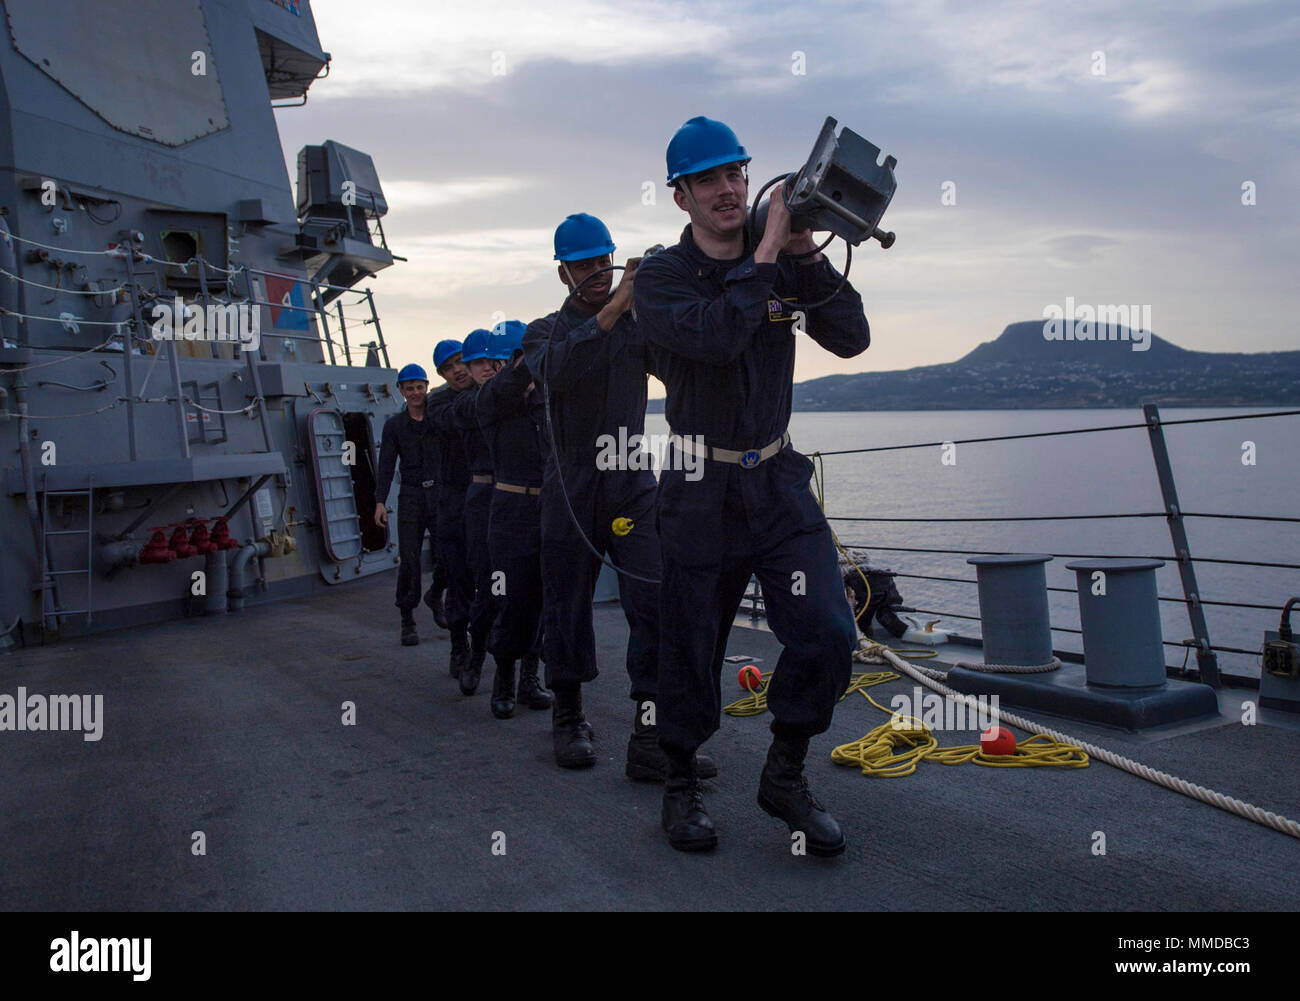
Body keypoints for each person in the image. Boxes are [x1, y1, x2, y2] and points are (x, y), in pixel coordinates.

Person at [633, 116, 871, 855]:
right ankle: (679, 783)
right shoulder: (660, 280)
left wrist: (803, 252)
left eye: (737, 173)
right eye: (710, 180)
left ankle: (786, 770)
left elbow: (853, 337)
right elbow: (717, 334)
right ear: (682, 197)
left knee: (830, 633)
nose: (730, 189)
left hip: (775, 482)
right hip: (700, 487)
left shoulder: (782, 260)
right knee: (691, 647)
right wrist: (769, 251)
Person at [523, 213, 715, 781]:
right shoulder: (543, 333)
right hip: (571, 477)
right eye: (582, 265)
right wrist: (615, 309)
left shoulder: (637, 325)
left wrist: (667, 292)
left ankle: (650, 736)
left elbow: (686, 364)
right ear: (563, 273)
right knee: (566, 601)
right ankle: (569, 714)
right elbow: (557, 373)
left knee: (655, 600)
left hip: (630, 474)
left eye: (602, 262)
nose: (596, 274)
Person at [475, 321, 552, 719]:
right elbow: (505, 388)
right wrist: (529, 358)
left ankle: (529, 679)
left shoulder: (542, 401)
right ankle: (503, 679)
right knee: (511, 600)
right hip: (509, 511)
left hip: (547, 508)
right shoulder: (490, 399)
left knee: (540, 599)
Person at [446, 329, 499, 694]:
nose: (484, 368)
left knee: (530, 592)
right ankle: (475, 656)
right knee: (486, 586)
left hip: (521, 499)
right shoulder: (463, 405)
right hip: (482, 498)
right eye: (476, 362)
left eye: (489, 361)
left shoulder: (517, 395)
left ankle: (523, 676)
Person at [374, 363, 441, 647]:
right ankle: (407, 619)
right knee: (410, 560)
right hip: (411, 496)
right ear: (401, 391)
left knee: (451, 554)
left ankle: (436, 595)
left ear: (426, 387)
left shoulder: (439, 420)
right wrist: (379, 501)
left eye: (419, 387)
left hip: (440, 494)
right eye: (409, 388)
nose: (415, 392)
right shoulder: (395, 426)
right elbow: (386, 465)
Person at [425, 339, 475, 678]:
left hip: (493, 498)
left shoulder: (490, 389)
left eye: (460, 362)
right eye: (448, 367)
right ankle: (460, 646)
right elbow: (455, 421)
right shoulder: (439, 401)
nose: (456, 370)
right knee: (459, 580)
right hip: (454, 502)